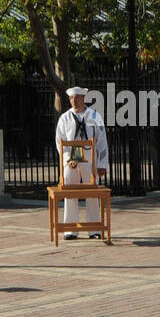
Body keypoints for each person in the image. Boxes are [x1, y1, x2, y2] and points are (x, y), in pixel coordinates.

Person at [53, 86, 109, 240]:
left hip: (90, 159)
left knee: (92, 194)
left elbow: (102, 141)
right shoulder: (64, 118)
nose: (75, 101)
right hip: (71, 160)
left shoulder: (94, 116)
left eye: (77, 97)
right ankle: (70, 229)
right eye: (72, 98)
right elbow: (59, 141)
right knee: (70, 194)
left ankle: (94, 229)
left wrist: (102, 164)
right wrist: (67, 159)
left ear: (84, 98)